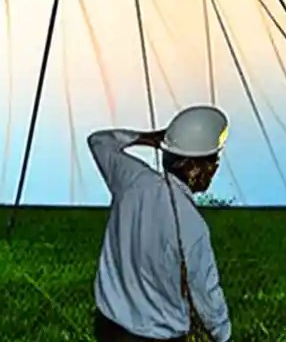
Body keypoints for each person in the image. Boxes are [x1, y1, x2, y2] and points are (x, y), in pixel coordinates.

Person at [87, 106, 233, 342]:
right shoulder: (192, 227)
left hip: (109, 326)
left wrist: (149, 138)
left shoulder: (131, 178)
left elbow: (100, 141)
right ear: (193, 168)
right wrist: (224, 334)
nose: (215, 168)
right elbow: (207, 293)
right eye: (212, 160)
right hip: (158, 337)